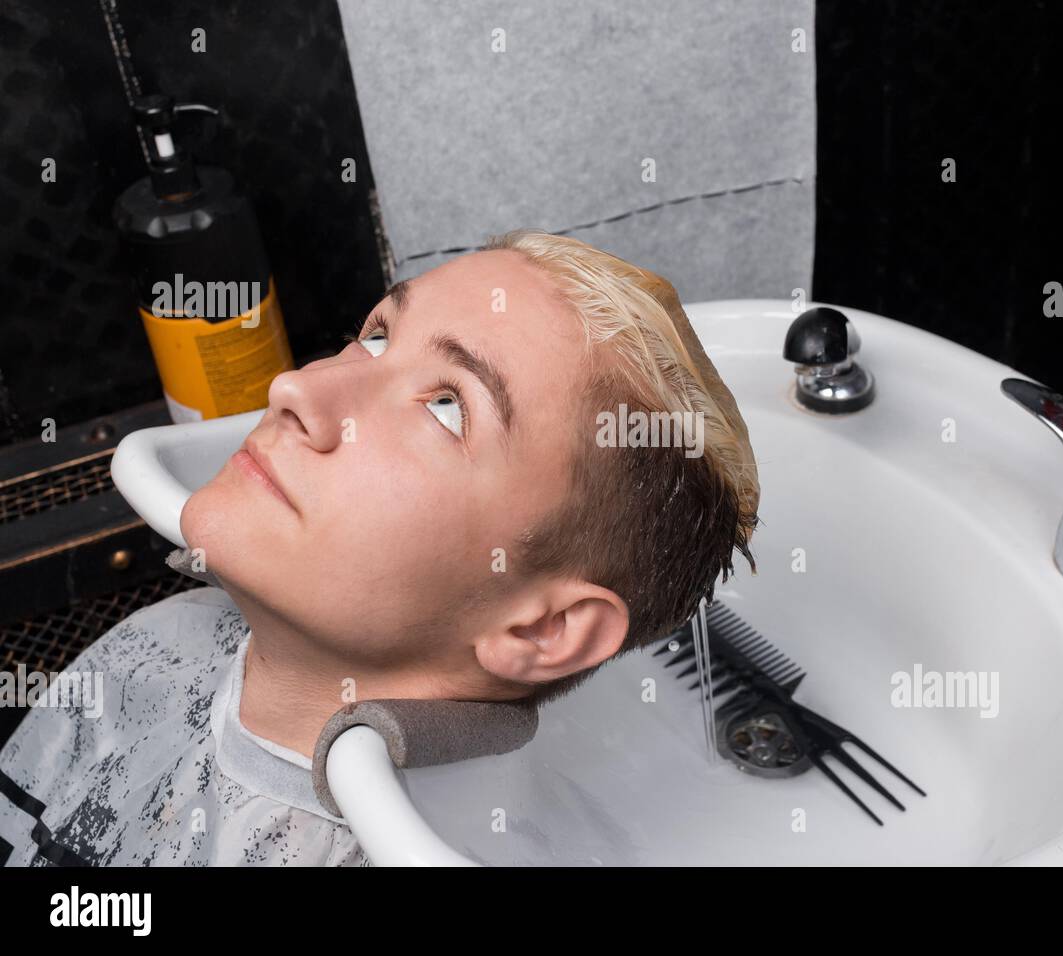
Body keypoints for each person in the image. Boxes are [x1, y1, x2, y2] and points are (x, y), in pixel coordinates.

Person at [0, 229, 760, 866]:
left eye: (447, 408)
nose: (298, 389)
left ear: (539, 628)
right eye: (376, 336)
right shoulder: (165, 642)